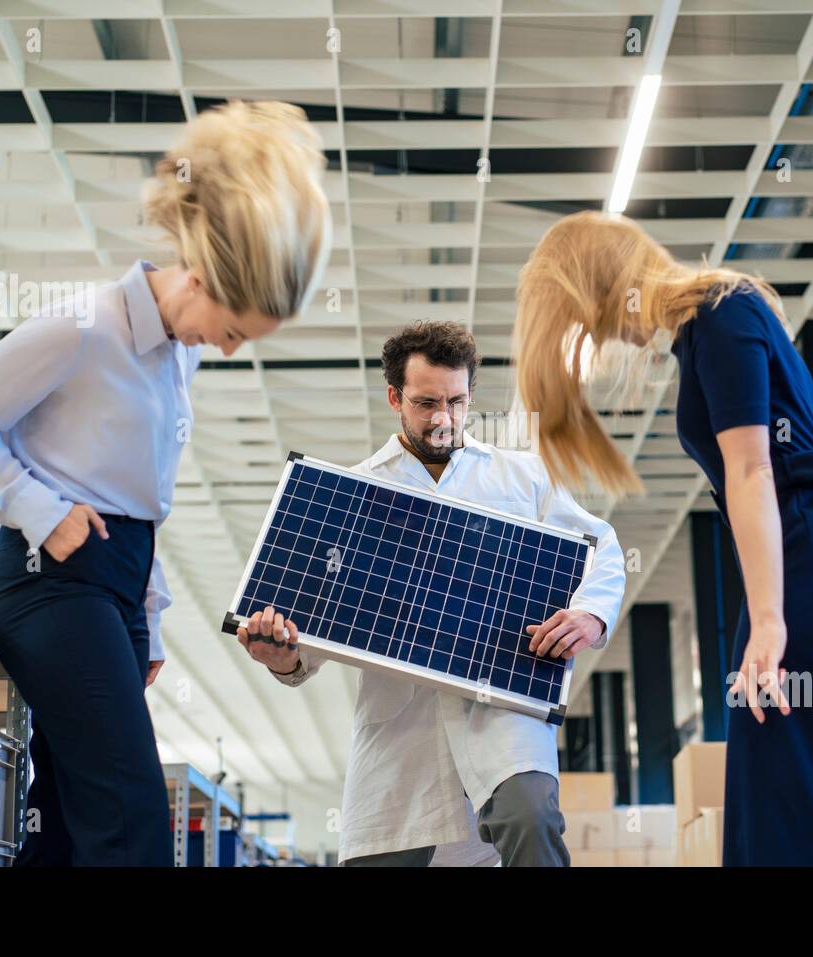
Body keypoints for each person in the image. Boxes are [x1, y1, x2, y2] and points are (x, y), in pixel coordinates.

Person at [0, 100, 332, 866]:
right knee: (130, 809)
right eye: (236, 329)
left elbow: (143, 502)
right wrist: (40, 508)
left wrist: (144, 615)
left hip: (111, 587)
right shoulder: (84, 328)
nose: (230, 347)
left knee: (66, 816)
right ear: (205, 276)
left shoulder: (177, 360)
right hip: (48, 579)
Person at [510, 211, 813, 866]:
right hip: (803, 569)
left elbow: (752, 469)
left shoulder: (722, 315)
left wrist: (771, 619)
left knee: (803, 803)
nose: (613, 337)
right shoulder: (710, 327)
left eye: (599, 320)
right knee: (799, 797)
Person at [236, 321, 626, 866]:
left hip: (501, 705)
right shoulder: (354, 493)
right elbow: (309, 641)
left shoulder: (522, 478)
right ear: (394, 397)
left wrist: (590, 615)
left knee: (530, 816)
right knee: (384, 852)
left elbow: (602, 549)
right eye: (425, 403)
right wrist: (283, 659)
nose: (443, 418)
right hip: (401, 731)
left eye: (456, 401)